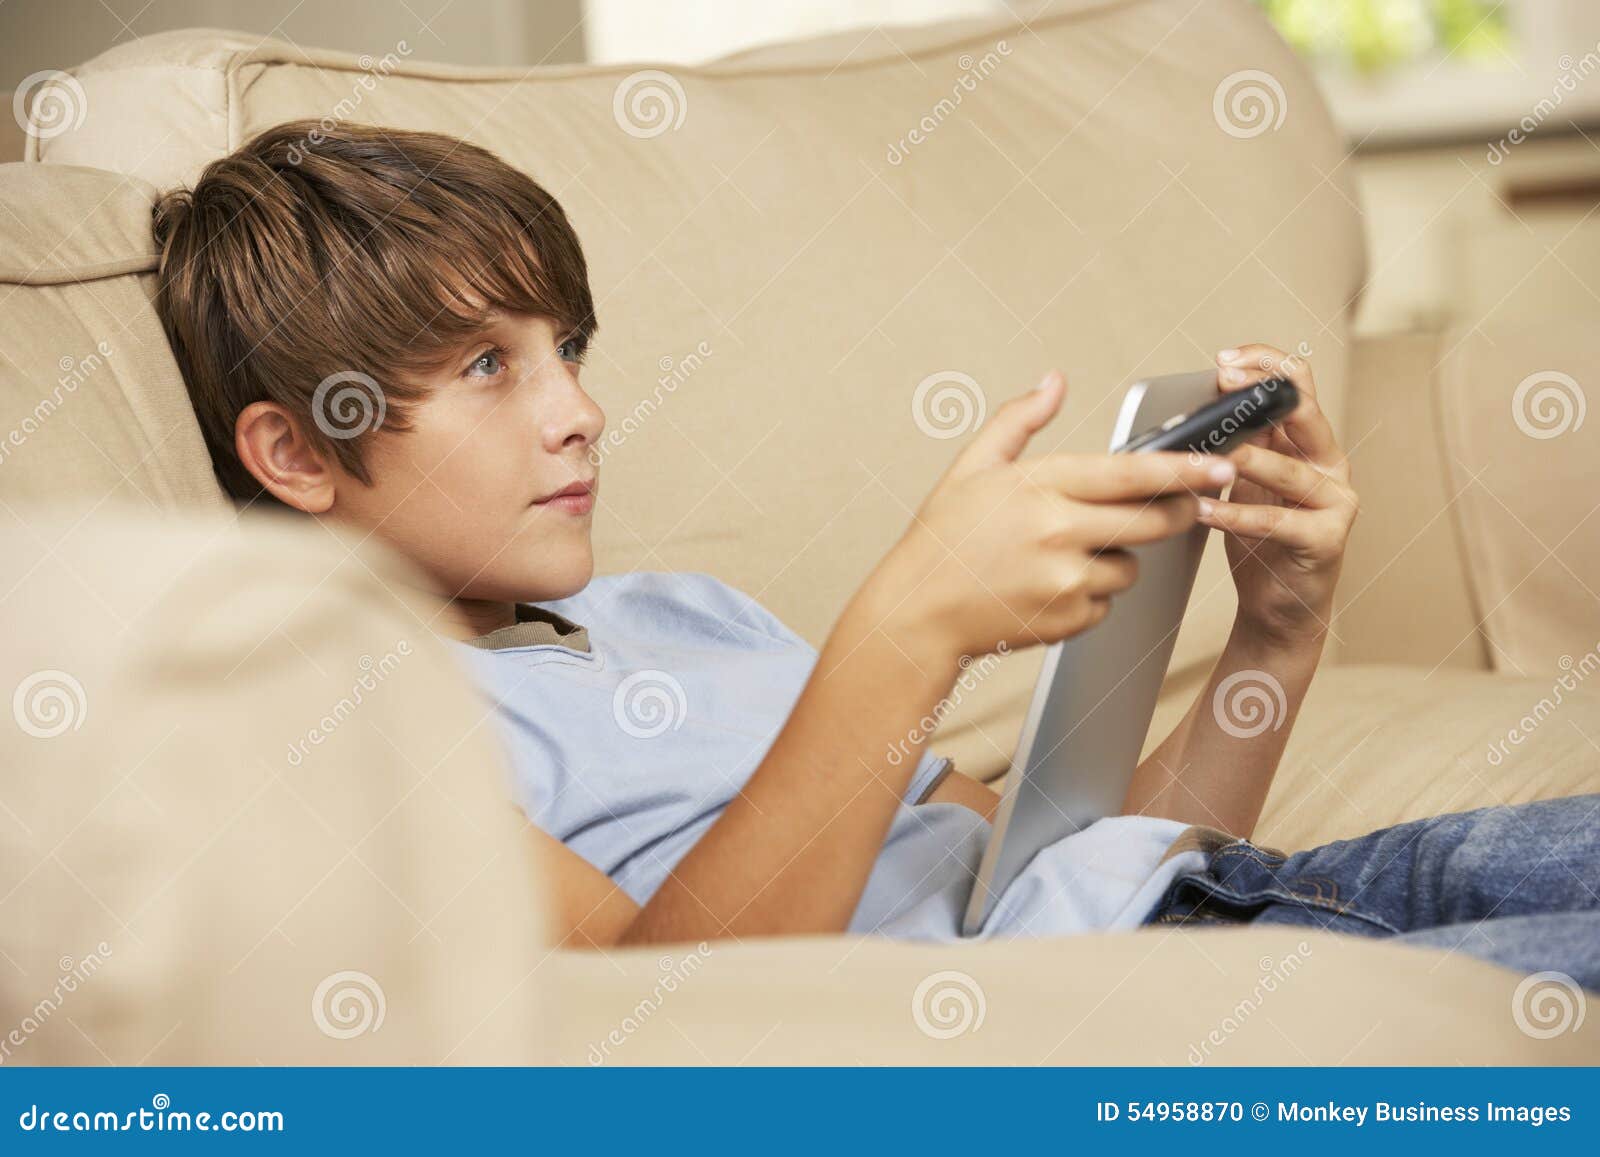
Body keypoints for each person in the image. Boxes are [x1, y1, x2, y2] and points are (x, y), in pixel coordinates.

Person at [151, 122, 1599, 987]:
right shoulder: (366, 730)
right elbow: (662, 1038)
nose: (581, 413)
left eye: (569, 351)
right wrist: (907, 629)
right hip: (1127, 1036)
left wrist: (1275, 634)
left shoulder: (682, 615)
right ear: (295, 452)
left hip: (1241, 907)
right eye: (487, 366)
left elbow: (1071, 872)